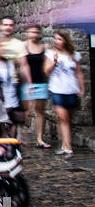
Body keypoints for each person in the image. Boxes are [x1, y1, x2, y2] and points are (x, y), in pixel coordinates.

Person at [44, 28, 85, 157]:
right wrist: (55, 62)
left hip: (71, 89)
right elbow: (46, 71)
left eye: (60, 39)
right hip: (56, 90)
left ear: (66, 41)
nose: (57, 41)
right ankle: (68, 147)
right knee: (63, 118)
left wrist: (82, 88)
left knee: (67, 119)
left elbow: (79, 72)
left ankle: (63, 144)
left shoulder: (74, 55)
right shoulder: (50, 54)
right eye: (55, 38)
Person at [0, 32, 25, 133]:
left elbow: (11, 83)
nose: (1, 49)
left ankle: (11, 147)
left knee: (11, 128)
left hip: (9, 101)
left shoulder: (9, 63)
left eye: (3, 46)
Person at [24, 24, 50, 149]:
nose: (34, 34)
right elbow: (23, 65)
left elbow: (46, 64)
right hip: (26, 83)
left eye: (36, 32)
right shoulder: (23, 46)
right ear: (27, 33)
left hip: (40, 81)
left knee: (40, 111)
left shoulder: (44, 47)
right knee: (26, 111)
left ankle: (40, 138)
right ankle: (20, 136)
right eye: (31, 32)